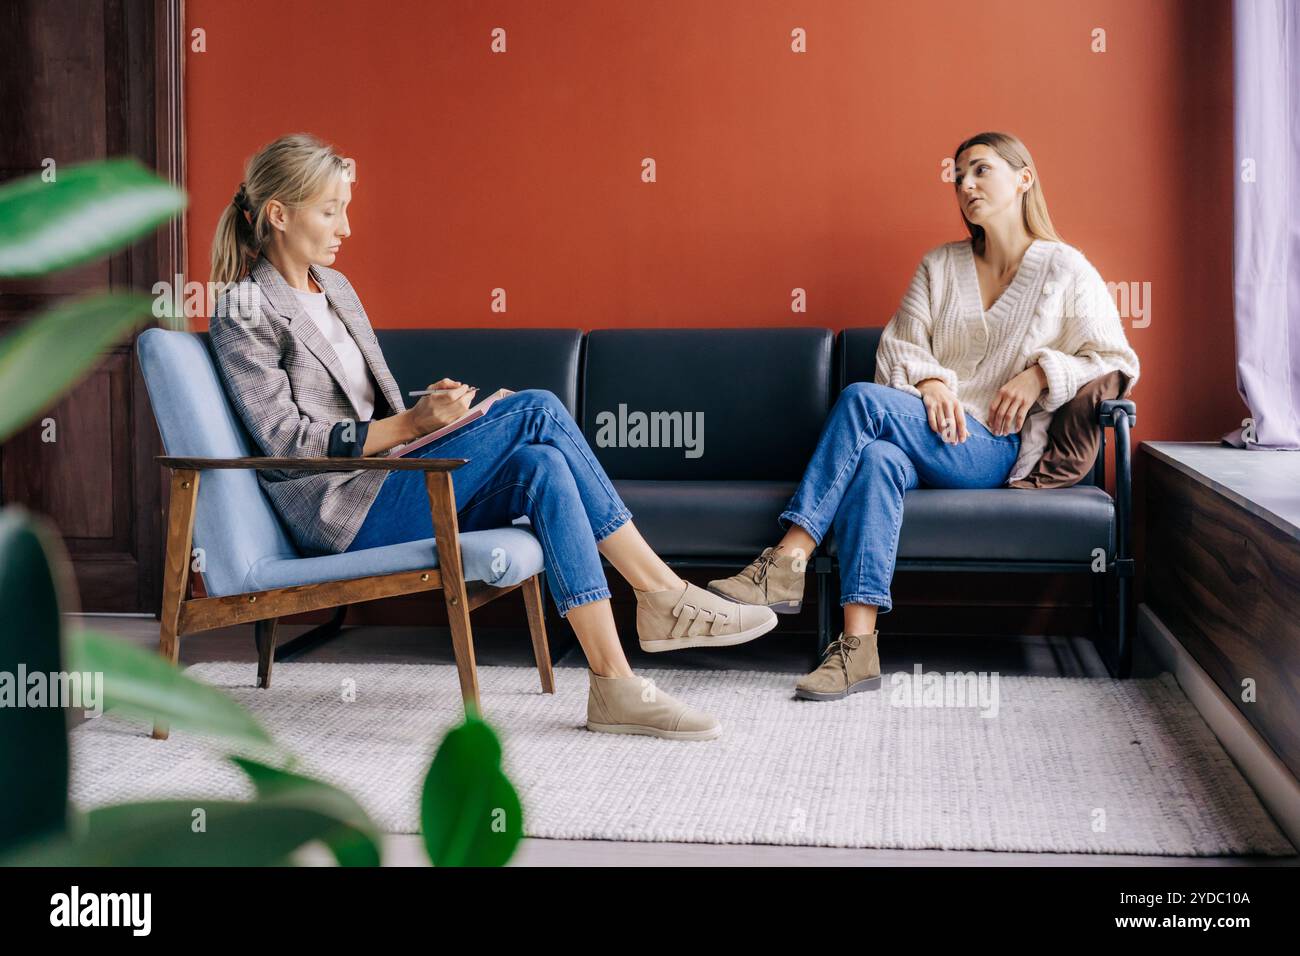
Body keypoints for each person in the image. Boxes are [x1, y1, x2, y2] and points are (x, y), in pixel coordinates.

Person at [207, 133, 777, 741]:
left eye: (345, 208)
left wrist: (432, 412)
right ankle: (661, 590)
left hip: (393, 476)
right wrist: (411, 425)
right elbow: (286, 444)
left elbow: (373, 408)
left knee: (542, 466)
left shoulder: (335, 289)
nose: (346, 226)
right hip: (341, 511)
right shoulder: (245, 308)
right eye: (330, 210)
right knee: (537, 410)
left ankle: (614, 685)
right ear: (279, 213)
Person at [708, 131, 1141, 702]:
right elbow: (897, 348)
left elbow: (1114, 358)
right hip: (921, 431)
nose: (966, 185)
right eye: (958, 176)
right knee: (877, 460)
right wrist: (932, 379)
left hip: (991, 444)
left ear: (1024, 178)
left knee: (862, 400)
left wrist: (1040, 373)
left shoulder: (1065, 269)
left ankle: (788, 558)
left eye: (981, 170)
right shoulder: (940, 265)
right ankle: (857, 649)